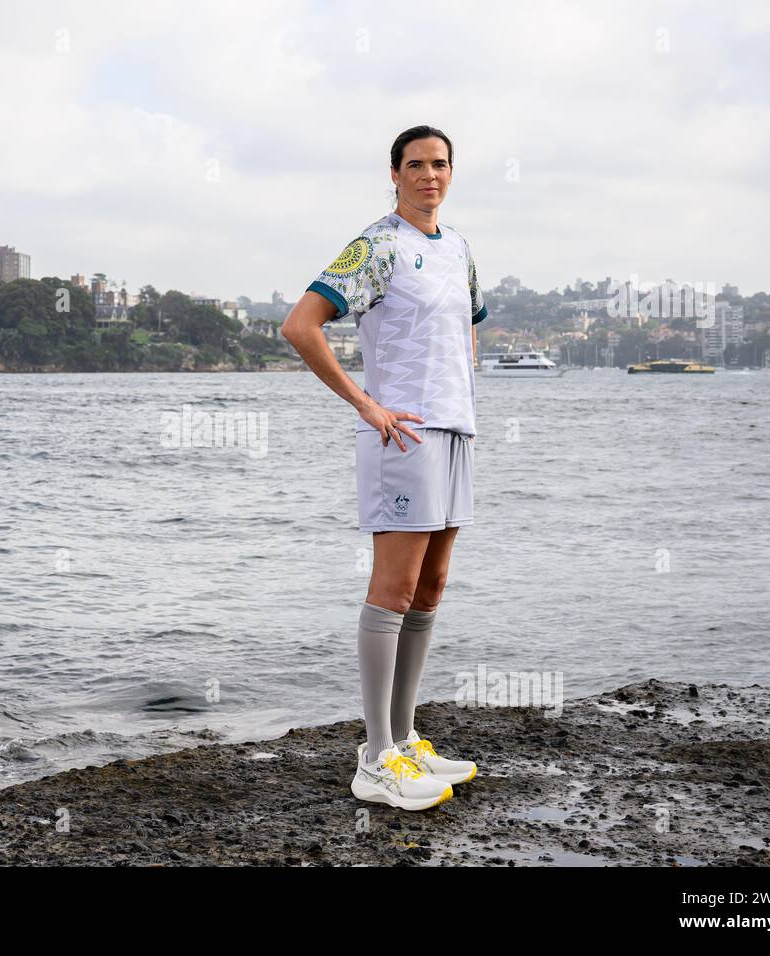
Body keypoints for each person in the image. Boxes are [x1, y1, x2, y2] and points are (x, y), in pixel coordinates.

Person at [281, 125, 487, 811]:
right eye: (416, 165)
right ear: (394, 174)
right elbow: (300, 325)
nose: (429, 175)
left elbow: (466, 325)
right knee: (394, 589)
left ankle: (403, 740)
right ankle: (374, 759)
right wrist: (366, 404)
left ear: (451, 172)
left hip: (456, 429)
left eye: (440, 164)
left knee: (432, 585)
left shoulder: (456, 248)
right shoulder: (375, 248)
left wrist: (463, 384)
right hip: (403, 434)